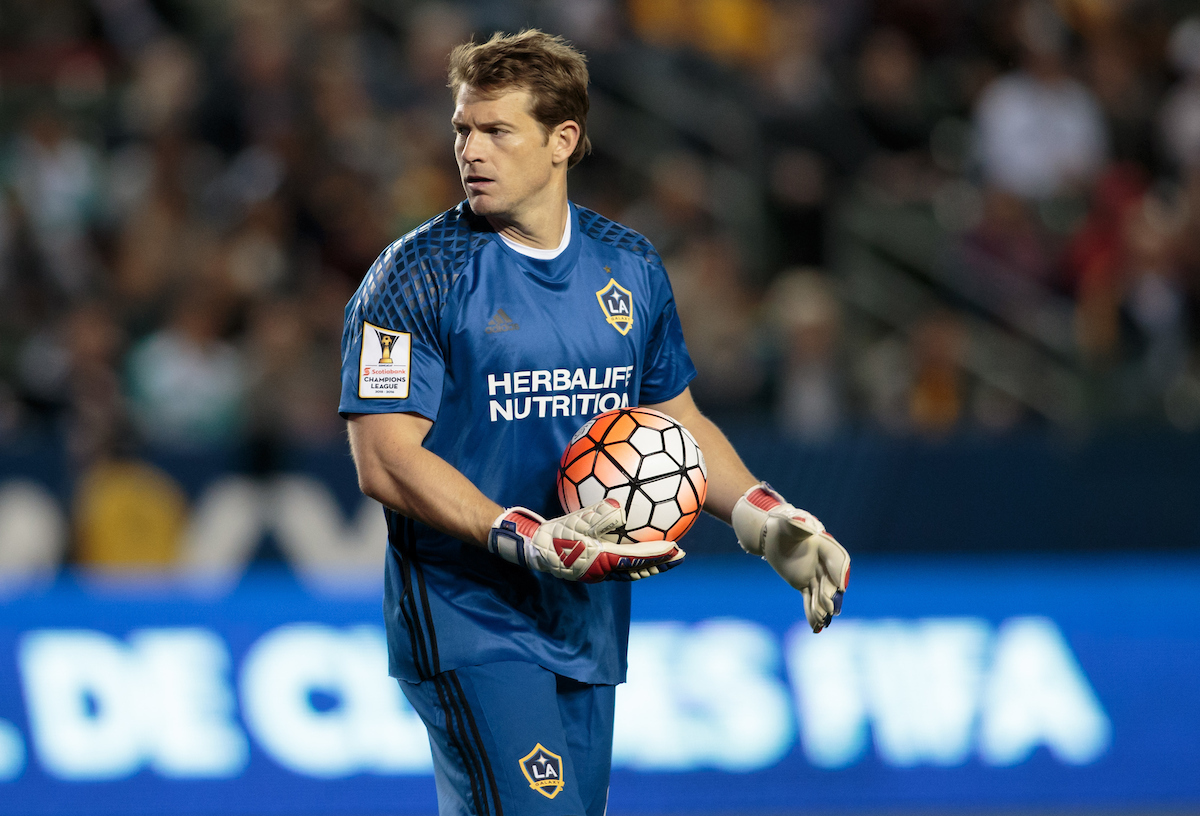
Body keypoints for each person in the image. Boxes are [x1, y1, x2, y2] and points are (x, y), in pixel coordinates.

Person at [339, 29, 850, 816]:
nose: (470, 150)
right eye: (461, 130)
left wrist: (761, 513)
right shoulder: (411, 276)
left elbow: (675, 422)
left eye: (496, 130)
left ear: (562, 141)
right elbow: (384, 458)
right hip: (469, 613)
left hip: (588, 615)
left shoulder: (631, 267)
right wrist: (524, 535)